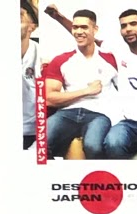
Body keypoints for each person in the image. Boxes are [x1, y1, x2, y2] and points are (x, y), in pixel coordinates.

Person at [42, 9, 120, 159]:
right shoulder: (61, 60)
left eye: (84, 27)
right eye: (75, 27)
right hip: (68, 113)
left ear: (95, 29)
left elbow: (127, 88)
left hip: (100, 114)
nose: (78, 31)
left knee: (93, 146)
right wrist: (86, 91)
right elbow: (48, 98)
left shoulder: (111, 58)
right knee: (42, 141)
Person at [102, 9, 137, 159]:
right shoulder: (119, 53)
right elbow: (90, 38)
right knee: (113, 142)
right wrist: (58, 17)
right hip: (129, 124)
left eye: (133, 24)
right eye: (124, 26)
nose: (128, 29)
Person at [21, 1, 44, 150]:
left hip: (33, 132)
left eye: (18, 17)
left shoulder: (43, 55)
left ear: (33, 26)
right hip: (0, 131)